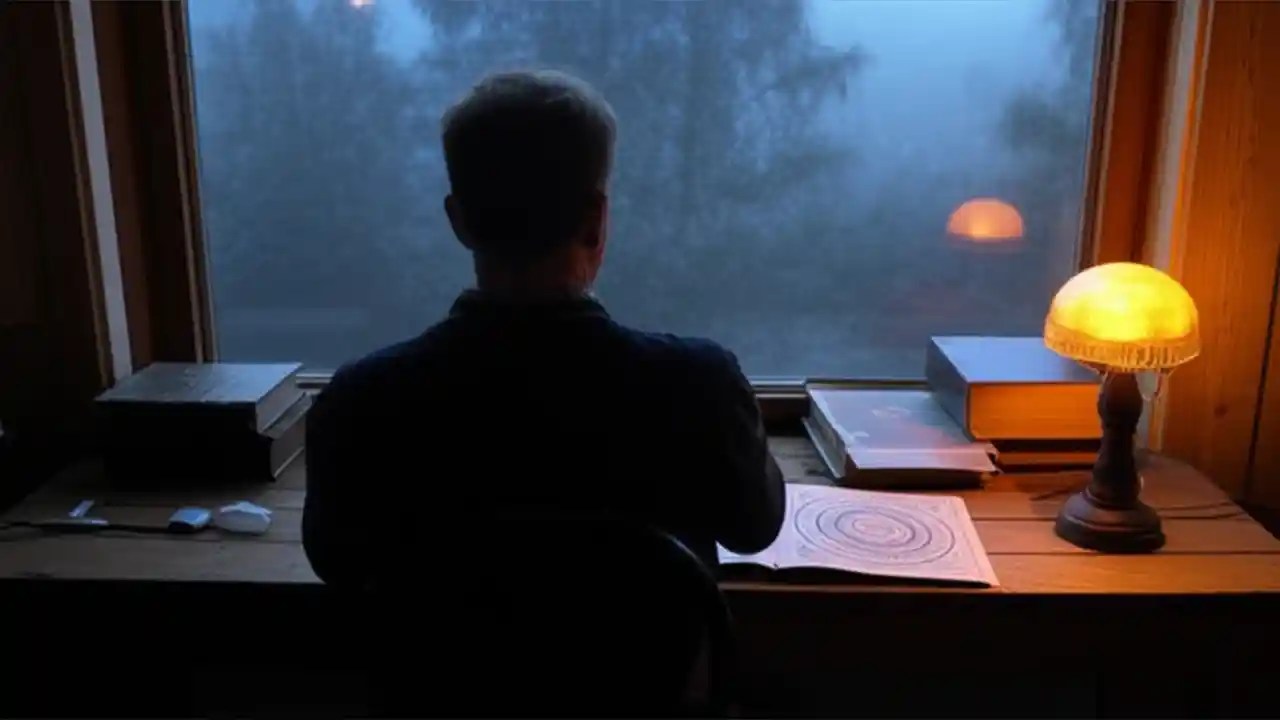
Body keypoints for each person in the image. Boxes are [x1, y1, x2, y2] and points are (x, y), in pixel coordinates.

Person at [301, 69, 784, 592]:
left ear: (458, 220)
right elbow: (755, 528)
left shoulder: (361, 406)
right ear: (595, 220)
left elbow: (334, 560)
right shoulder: (698, 389)